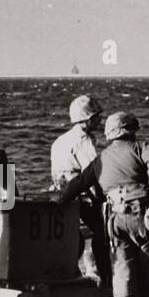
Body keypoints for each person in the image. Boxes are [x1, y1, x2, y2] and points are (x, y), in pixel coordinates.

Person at [57, 112, 149, 297]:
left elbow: (78, 184)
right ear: (130, 130)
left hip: (114, 218)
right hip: (140, 214)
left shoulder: (101, 158)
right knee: (146, 268)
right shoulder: (140, 147)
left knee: (122, 271)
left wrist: (59, 204)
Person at [50, 95, 110, 286]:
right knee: (100, 235)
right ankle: (102, 277)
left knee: (71, 235)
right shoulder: (84, 141)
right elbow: (92, 172)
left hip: (61, 193)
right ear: (88, 118)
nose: (100, 120)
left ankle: (71, 272)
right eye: (97, 117)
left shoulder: (60, 140)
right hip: (82, 196)